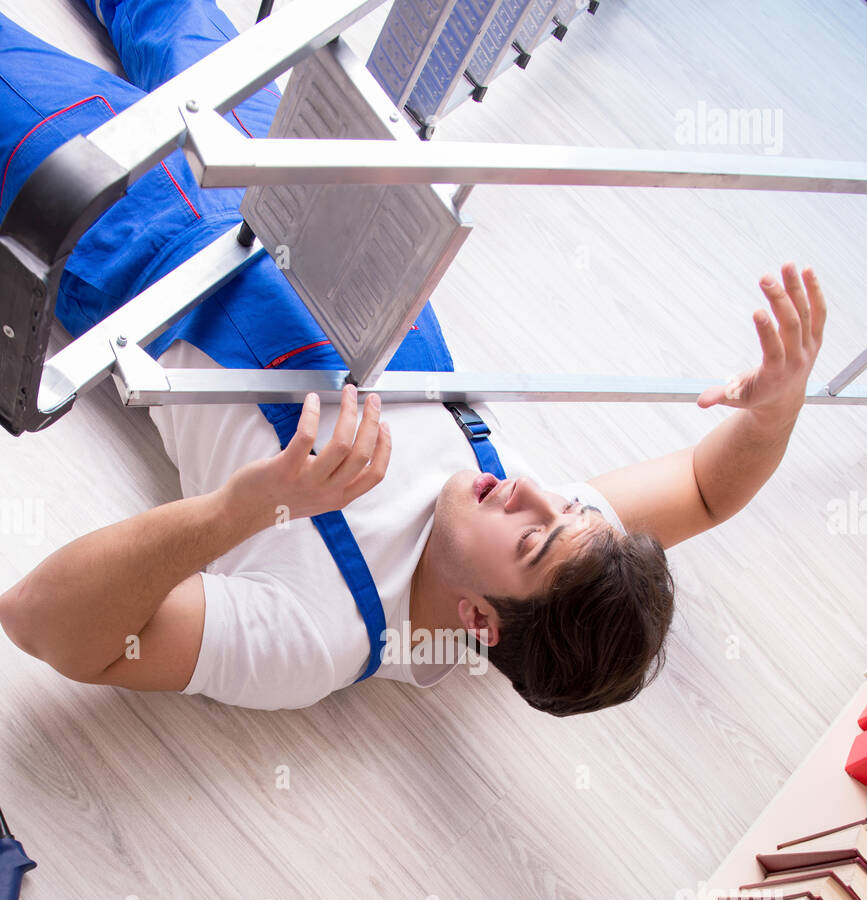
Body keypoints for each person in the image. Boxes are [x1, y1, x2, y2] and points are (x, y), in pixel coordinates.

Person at [0, 1, 826, 716]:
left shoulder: (318, 633)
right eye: (570, 513)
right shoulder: (548, 547)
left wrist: (250, 506)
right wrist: (777, 404)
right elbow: (709, 492)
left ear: (477, 623)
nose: (536, 492)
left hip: (152, 245)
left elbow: (44, 622)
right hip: (294, 183)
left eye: (535, 538)